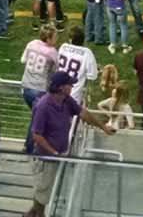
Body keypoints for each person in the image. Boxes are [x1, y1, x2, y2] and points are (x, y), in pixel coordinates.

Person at [28, 71, 113, 217]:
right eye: (69, 84)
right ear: (61, 88)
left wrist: (103, 127)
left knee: (43, 192)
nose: (72, 85)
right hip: (46, 159)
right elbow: (36, 135)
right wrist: (54, 152)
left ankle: (30, 214)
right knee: (43, 195)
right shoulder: (43, 106)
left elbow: (83, 113)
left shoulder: (66, 99)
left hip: (58, 156)